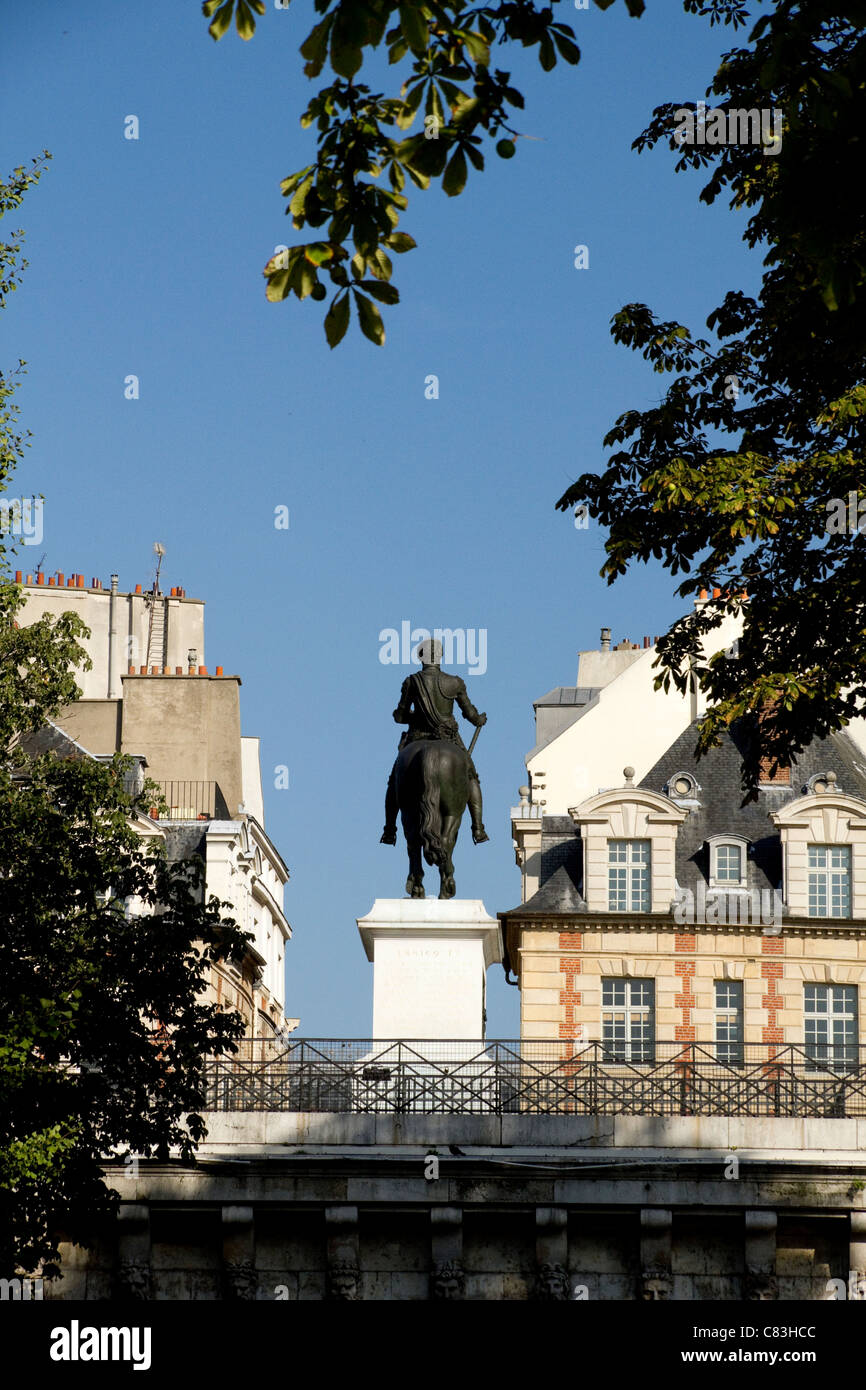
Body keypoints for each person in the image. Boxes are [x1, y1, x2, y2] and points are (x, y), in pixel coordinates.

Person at [380, 638, 488, 846]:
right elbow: (471, 714)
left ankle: (389, 829)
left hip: (417, 738)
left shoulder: (412, 681)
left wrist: (412, 716)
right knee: (471, 777)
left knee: (394, 780)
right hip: (449, 738)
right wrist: (479, 720)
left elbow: (400, 717)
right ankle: (478, 828)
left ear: (420, 657)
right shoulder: (454, 682)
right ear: (440, 657)